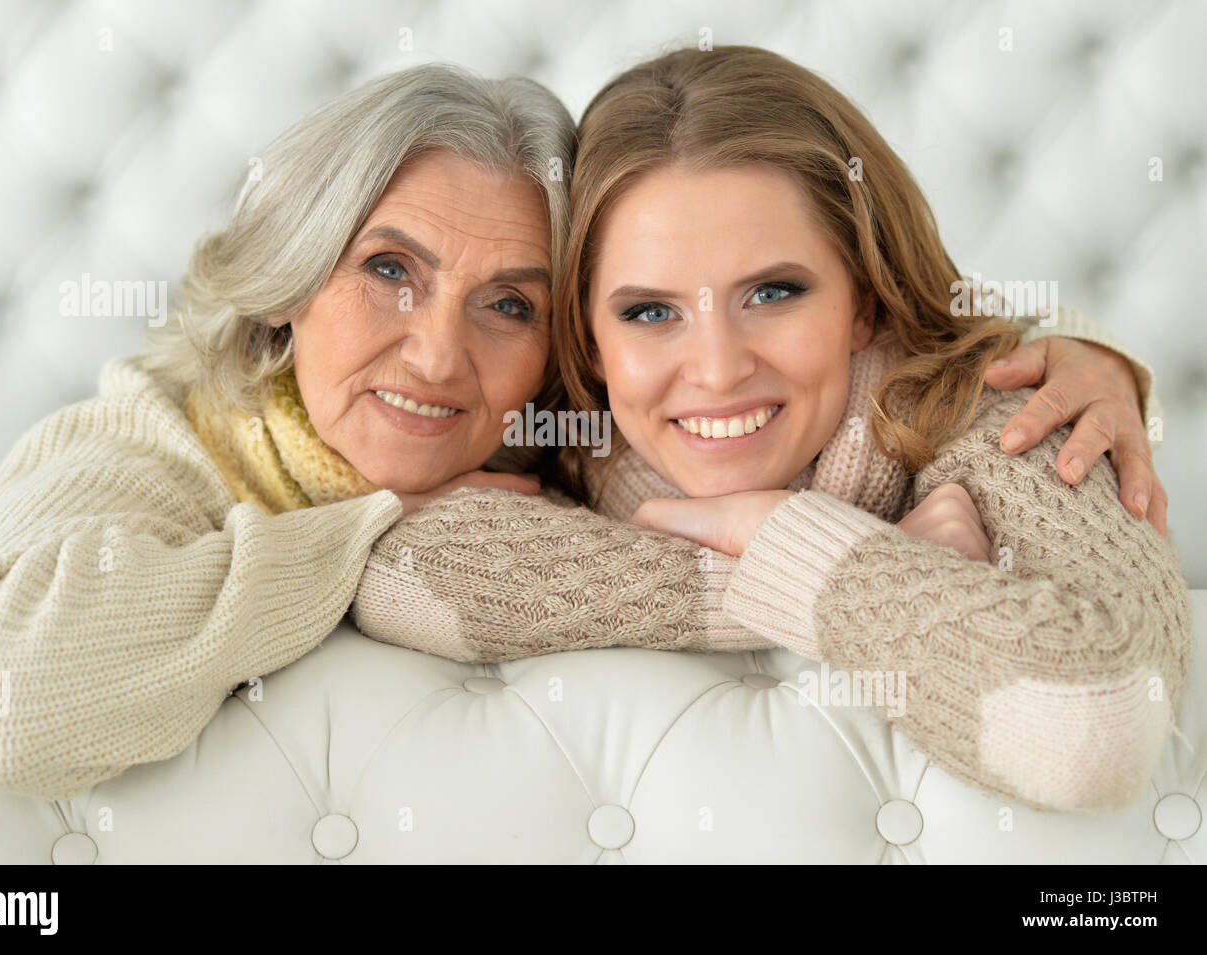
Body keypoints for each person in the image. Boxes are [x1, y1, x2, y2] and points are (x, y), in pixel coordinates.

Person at [0, 59, 1169, 803]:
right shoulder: (157, 438)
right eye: (387, 272)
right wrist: (360, 538)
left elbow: (1087, 712)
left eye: (507, 303)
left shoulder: (567, 442)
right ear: (288, 287)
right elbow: (7, 704)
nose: (439, 355)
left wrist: (1093, 363)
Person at [350, 47, 1191, 814]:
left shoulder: (1011, 414)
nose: (716, 369)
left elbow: (1095, 728)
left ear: (863, 299)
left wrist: (780, 534)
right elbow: (400, 568)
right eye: (649, 311)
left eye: (773, 293)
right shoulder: (570, 433)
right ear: (590, 340)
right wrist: (846, 552)